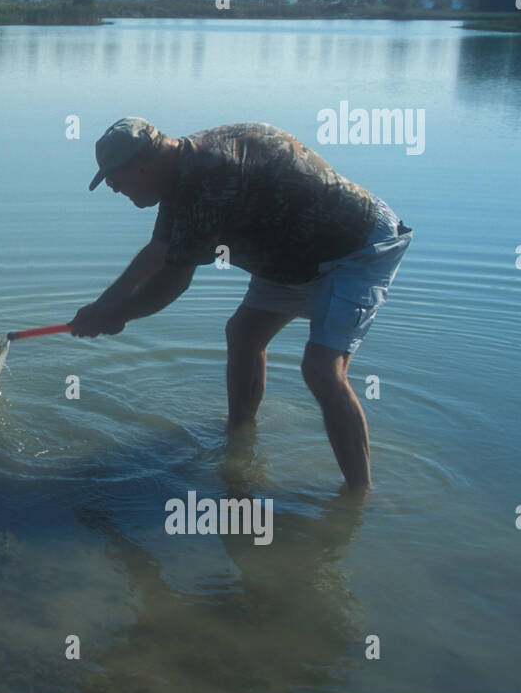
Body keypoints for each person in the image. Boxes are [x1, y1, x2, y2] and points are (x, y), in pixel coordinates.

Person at [70, 117, 411, 490]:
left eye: (115, 182)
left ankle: (360, 497)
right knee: (245, 333)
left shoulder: (207, 179)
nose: (116, 191)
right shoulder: (180, 173)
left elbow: (172, 281)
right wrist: (104, 305)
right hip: (292, 257)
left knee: (321, 369)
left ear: (141, 165)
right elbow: (159, 253)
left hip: (351, 249)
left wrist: (116, 316)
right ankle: (240, 438)